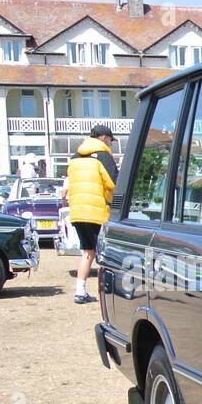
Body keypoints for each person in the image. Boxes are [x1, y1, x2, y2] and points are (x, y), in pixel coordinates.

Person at [65, 124, 118, 304]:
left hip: (78, 212)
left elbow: (67, 185)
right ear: (103, 138)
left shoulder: (75, 157)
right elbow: (114, 184)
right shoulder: (103, 157)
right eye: (111, 140)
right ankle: (108, 293)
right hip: (97, 211)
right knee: (105, 254)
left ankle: (80, 291)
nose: (111, 144)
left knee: (88, 252)